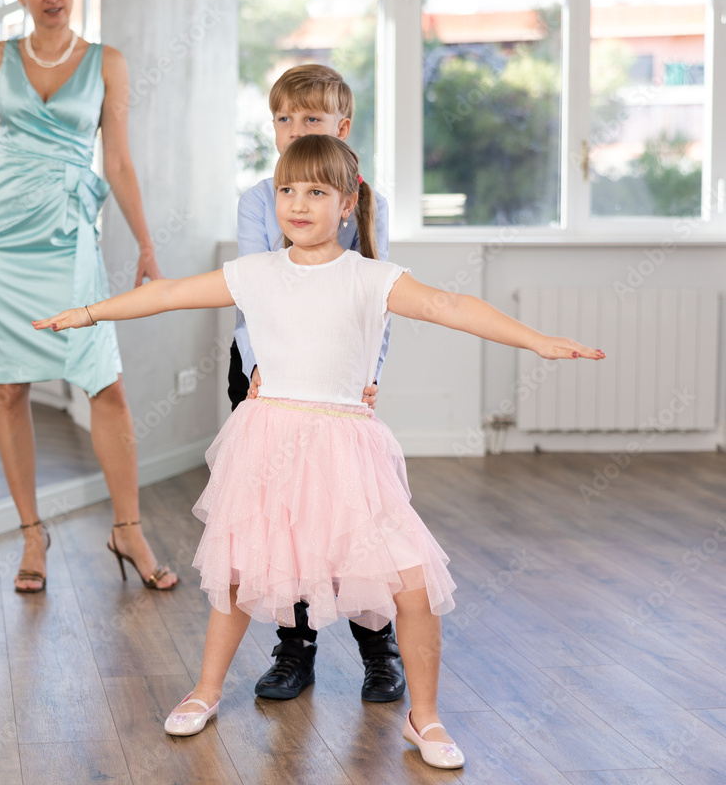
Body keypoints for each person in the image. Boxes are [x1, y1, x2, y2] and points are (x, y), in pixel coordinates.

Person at [33, 135, 604, 769]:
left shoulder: (371, 277)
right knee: (242, 578)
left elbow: (450, 305)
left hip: (348, 453)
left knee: (412, 584)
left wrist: (537, 341)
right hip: (270, 443)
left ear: (348, 201)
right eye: (286, 190)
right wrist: (88, 313)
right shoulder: (254, 273)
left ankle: (426, 718)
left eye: (315, 191)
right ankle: (204, 690)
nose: (297, 205)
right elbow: (166, 294)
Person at [0, 0, 177, 594]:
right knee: (9, 387)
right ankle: (31, 534)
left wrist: (148, 243)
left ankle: (127, 528)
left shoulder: (108, 62)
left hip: (69, 236)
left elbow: (119, 162)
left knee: (105, 383)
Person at [230, 63, 402, 704]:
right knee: (282, 518)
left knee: (350, 516)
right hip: (265, 375)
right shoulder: (258, 200)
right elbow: (250, 293)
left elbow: (378, 298)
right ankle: (293, 648)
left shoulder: (366, 203)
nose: (293, 129)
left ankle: (378, 650)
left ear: (343, 128)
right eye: (282, 119)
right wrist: (259, 370)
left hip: (337, 382)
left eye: (310, 119)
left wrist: (370, 374)